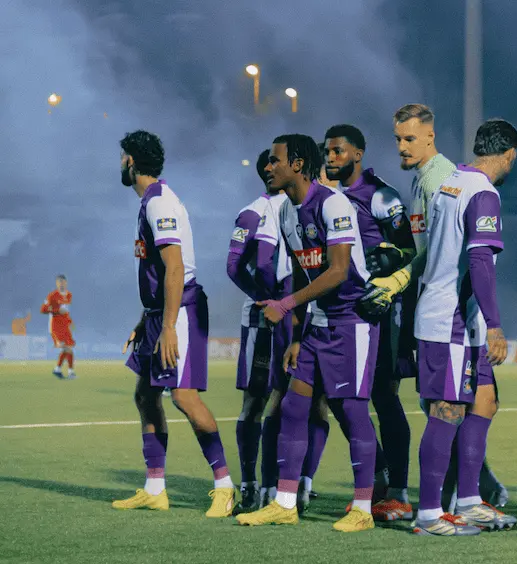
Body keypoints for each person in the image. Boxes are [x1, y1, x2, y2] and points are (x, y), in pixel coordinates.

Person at [365, 103, 510, 511]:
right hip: (447, 312)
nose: (402, 147)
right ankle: (458, 499)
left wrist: (399, 277)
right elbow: (431, 251)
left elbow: (440, 254)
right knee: (452, 404)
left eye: (409, 139)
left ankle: (468, 494)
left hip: (456, 312)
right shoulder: (425, 181)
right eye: (397, 139)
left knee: (469, 402)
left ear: (430, 137)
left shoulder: (442, 181)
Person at [236, 133, 378, 533]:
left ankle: (363, 509)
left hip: (352, 321)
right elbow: (303, 268)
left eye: (275, 160)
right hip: (316, 324)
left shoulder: (334, 203)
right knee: (293, 409)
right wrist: (297, 335)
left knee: (351, 412)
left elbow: (337, 270)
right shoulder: (283, 211)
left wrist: (286, 304)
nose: (268, 167)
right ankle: (284, 502)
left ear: (298, 164)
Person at [112, 130, 235, 518]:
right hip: (160, 314)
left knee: (184, 397)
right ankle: (154, 488)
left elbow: (175, 267)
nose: (119, 164)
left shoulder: (160, 203)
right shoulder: (150, 201)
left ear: (131, 161)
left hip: (179, 313)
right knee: (146, 395)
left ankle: (224, 487)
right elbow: (156, 273)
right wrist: (144, 320)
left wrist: (167, 326)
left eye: (121, 158)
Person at [411, 118, 517, 536]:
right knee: (447, 411)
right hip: (451, 320)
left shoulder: (451, 183)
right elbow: (478, 261)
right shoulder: (483, 193)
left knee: (482, 403)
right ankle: (429, 515)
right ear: (508, 155)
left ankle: (470, 501)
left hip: (455, 316)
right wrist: (495, 325)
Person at [324, 124, 416, 520]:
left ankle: (397, 491)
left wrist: (386, 262)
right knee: (339, 396)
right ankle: (376, 477)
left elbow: (410, 249)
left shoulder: (381, 196)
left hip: (378, 310)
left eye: (338, 151)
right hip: (339, 312)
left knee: (383, 395)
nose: (330, 158)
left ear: (357, 154)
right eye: (327, 152)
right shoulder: (327, 197)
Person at [225, 149, 294, 512]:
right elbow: (250, 264)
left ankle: (254, 485)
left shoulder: (251, 211)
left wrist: (263, 299)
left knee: (257, 403)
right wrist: (274, 300)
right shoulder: (285, 208)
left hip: (265, 315)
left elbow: (234, 266)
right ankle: (272, 487)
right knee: (284, 400)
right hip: (286, 314)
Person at [41, 274, 76, 379]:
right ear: (56, 283)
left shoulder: (69, 295)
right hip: (55, 327)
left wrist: (70, 322)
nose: (61, 284)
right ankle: (70, 372)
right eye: (59, 282)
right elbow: (43, 310)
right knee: (67, 348)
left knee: (68, 348)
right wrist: (56, 311)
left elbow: (66, 312)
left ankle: (58, 370)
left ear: (66, 283)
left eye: (63, 282)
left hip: (65, 326)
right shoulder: (52, 296)